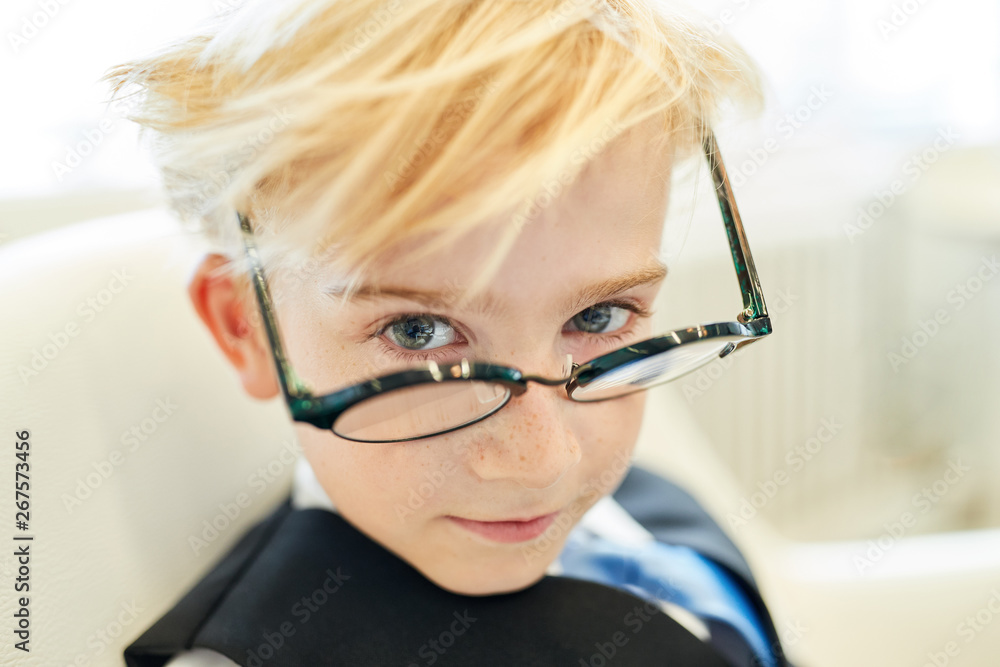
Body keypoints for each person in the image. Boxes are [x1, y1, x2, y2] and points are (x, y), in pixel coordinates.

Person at [106, 0, 786, 665]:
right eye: (418, 330)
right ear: (245, 327)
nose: (541, 461)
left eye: (596, 317)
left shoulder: (637, 500)